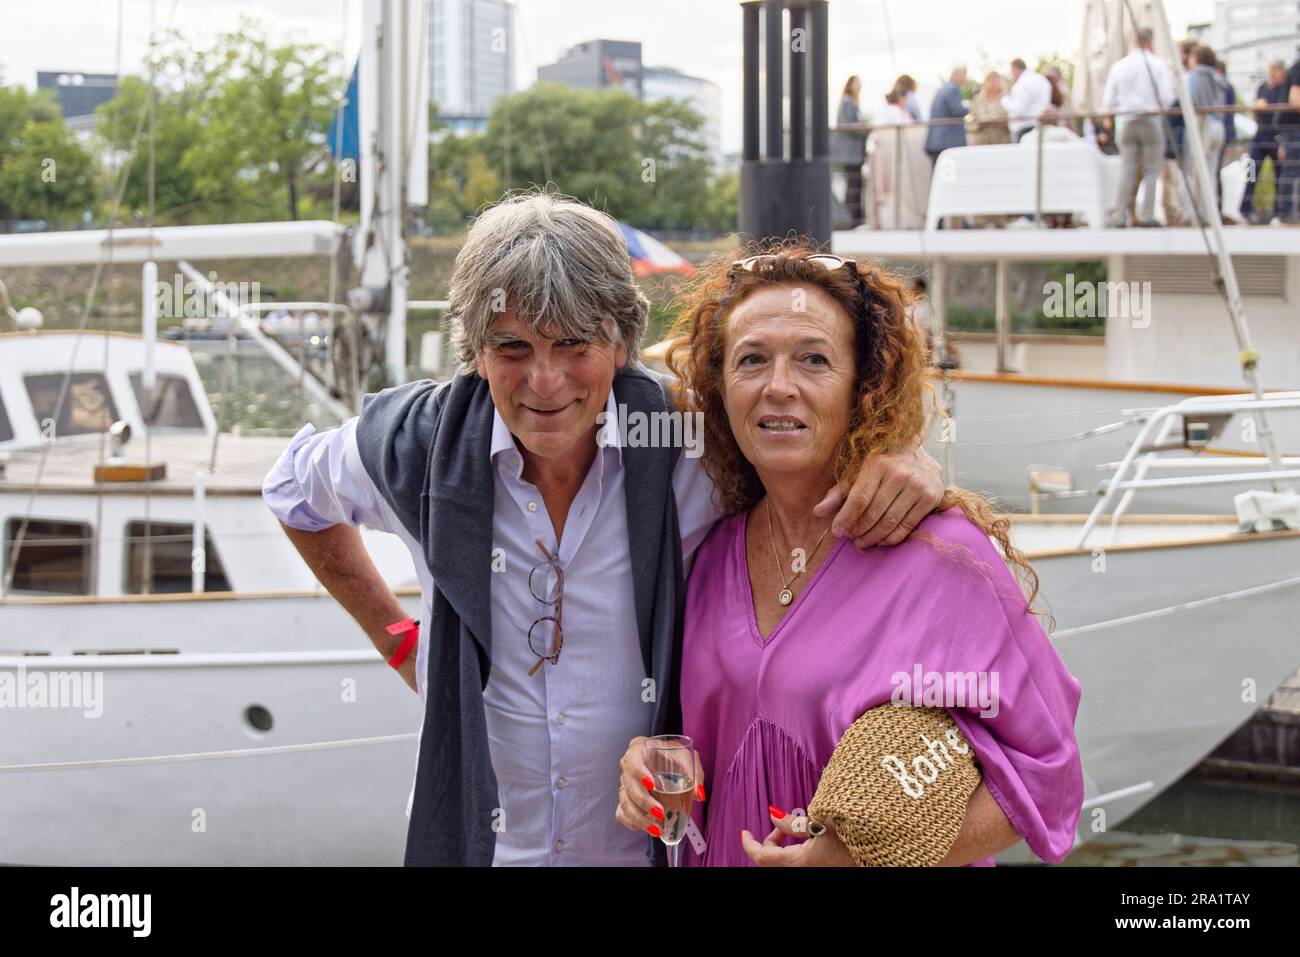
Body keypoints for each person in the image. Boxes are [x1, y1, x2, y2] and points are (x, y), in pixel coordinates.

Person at [260, 192, 946, 867]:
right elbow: (293, 490)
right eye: (512, 346)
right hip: (482, 848)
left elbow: (810, 439)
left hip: (646, 852)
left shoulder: (688, 444)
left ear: (622, 340)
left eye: (572, 343)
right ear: (475, 348)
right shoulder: (419, 447)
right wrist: (397, 638)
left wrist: (904, 455)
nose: (545, 379)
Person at [613, 246, 1085, 866]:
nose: (779, 387)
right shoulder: (709, 554)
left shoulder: (943, 558)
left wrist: (864, 858)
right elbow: (707, 743)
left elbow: (1047, 780)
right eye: (752, 360)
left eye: (813, 360)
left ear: (863, 384)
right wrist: (645, 768)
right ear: (719, 385)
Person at [1101, 27, 1174, 227]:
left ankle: (1119, 216)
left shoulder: (1119, 66)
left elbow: (1108, 100)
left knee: (1127, 169)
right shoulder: (1157, 65)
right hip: (1150, 119)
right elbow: (1167, 97)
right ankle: (1147, 215)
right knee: (1152, 169)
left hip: (1126, 121)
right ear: (1150, 42)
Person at [868, 81, 933, 229]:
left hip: (889, 158)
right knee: (883, 190)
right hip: (886, 158)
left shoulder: (893, 110)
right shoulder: (893, 111)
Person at [1184, 44, 1229, 223]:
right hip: (1219, 125)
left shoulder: (1194, 76)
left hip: (1203, 124)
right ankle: (1211, 214)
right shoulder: (1218, 77)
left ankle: (1195, 215)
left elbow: (1191, 100)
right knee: (1211, 172)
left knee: (1196, 171)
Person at [1241, 60, 1288, 223]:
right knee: (1251, 173)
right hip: (1259, 137)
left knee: (1279, 175)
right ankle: (1244, 211)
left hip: (1276, 138)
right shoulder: (1263, 87)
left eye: (1275, 70)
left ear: (1282, 72)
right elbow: (1256, 108)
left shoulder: (1284, 89)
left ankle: (1278, 213)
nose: (1272, 74)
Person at [831, 75, 867, 225]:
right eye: (857, 83)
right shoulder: (847, 102)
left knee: (855, 183)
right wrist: (866, 131)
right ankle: (852, 217)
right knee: (853, 183)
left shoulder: (852, 103)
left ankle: (854, 216)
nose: (859, 87)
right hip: (849, 153)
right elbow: (850, 125)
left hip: (854, 153)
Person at [924, 65, 969, 165]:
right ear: (957, 75)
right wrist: (969, 107)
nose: (966, 79)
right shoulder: (953, 89)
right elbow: (957, 111)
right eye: (964, 75)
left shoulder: (943, 89)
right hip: (947, 141)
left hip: (936, 141)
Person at [1001, 58, 1052, 142]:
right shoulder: (1041, 79)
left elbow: (1019, 109)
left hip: (1024, 129)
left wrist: (1005, 100)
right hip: (1040, 126)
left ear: (1015, 69)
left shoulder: (1022, 84)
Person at [1277, 55, 1300, 224]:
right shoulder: (1299, 66)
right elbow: (1295, 99)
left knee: (1292, 170)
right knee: (1291, 170)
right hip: (1293, 127)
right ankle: (1285, 214)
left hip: (1292, 127)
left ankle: (1288, 213)